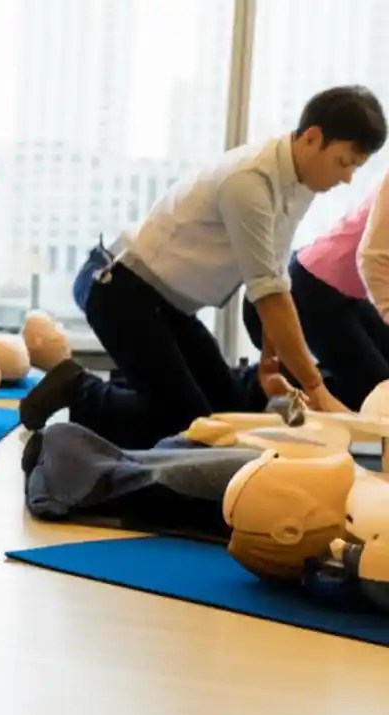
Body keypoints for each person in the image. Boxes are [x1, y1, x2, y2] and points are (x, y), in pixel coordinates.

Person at [20, 85, 387, 449]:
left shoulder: (300, 181)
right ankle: (78, 388)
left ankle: (133, 390)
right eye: (344, 162)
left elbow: (275, 273)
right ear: (312, 138)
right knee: (189, 432)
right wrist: (315, 389)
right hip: (120, 289)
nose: (347, 178)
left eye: (356, 167)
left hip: (169, 305)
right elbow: (269, 294)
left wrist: (269, 365)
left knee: (222, 416)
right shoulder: (250, 182)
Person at [239, 171, 389, 409]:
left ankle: (279, 387)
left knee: (371, 394)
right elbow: (371, 259)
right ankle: (256, 387)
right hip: (315, 288)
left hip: (349, 292)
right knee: (379, 396)